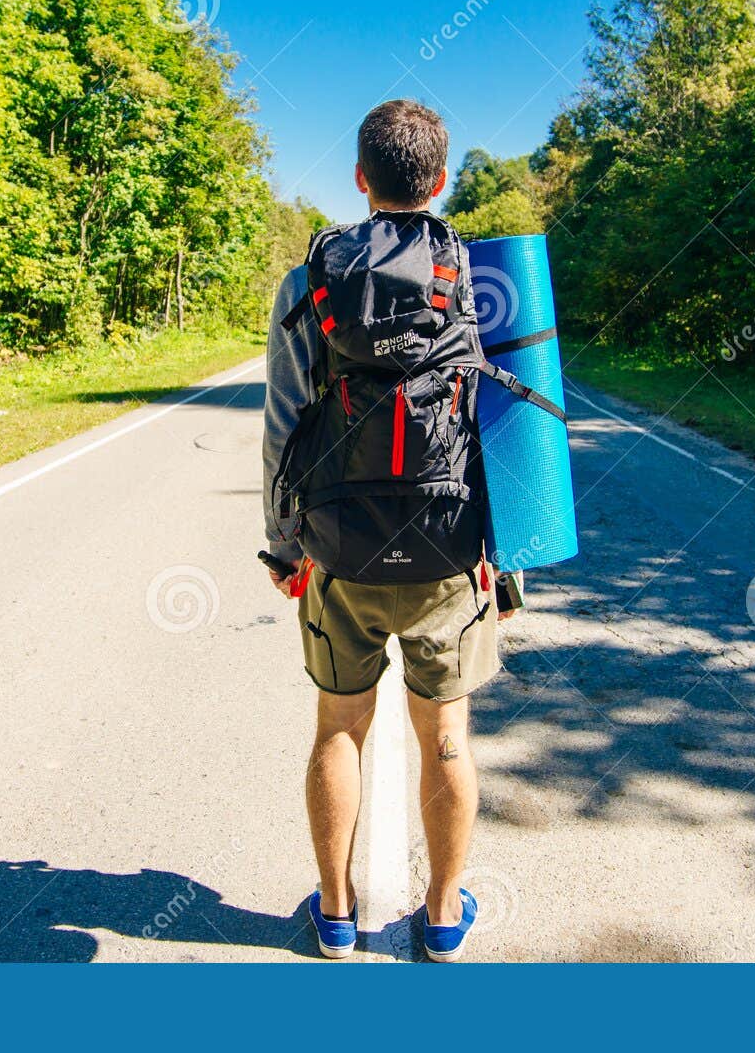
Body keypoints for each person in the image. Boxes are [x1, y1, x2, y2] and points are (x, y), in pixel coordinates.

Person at [261, 99, 515, 963]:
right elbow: (509, 432)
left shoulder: (309, 283)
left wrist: (283, 543)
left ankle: (335, 914)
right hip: (448, 550)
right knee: (446, 737)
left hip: (340, 548)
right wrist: (508, 560)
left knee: (338, 728)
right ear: (440, 181)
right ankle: (443, 917)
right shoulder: (487, 277)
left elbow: (283, 421)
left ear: (361, 179)